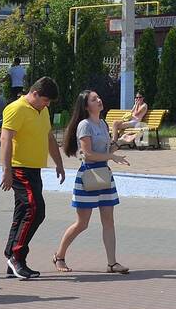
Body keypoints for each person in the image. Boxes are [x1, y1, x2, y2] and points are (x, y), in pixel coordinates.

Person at [53, 90, 130, 274]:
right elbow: (87, 155)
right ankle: (59, 256)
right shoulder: (84, 125)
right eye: (94, 99)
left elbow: (106, 149)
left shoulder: (102, 123)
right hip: (88, 176)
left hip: (104, 174)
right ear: (86, 106)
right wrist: (112, 156)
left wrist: (121, 143)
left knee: (109, 221)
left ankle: (112, 263)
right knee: (82, 223)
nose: (99, 100)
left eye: (98, 97)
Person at [0, 77, 65, 280]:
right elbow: (5, 138)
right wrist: (6, 170)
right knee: (36, 209)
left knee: (22, 213)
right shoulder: (15, 109)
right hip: (19, 168)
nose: (47, 105)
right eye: (45, 100)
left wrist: (59, 162)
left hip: (35, 169)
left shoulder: (42, 110)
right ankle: (17, 256)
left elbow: (49, 137)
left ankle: (12, 259)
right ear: (34, 93)